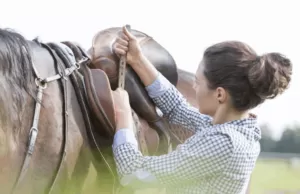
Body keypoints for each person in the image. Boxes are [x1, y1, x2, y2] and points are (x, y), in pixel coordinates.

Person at [111, 26, 292, 194]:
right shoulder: (239, 130)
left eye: (198, 82)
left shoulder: (224, 143)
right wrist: (138, 59)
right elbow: (177, 108)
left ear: (220, 95)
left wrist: (123, 115)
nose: (194, 87)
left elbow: (133, 174)